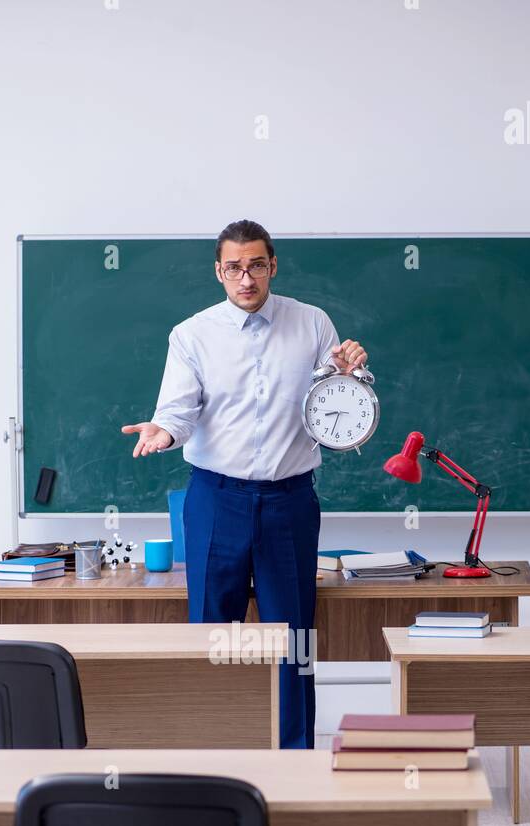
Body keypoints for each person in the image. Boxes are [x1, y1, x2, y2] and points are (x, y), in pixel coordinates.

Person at [122, 219, 368, 748]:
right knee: (214, 637)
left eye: (256, 264)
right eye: (234, 267)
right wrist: (164, 431)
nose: (246, 277)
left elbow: (337, 404)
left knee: (295, 639)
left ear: (272, 265)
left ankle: (296, 760)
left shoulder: (312, 323)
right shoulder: (192, 335)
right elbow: (178, 412)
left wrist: (354, 375)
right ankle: (216, 757)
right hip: (216, 501)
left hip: (290, 502)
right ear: (219, 272)